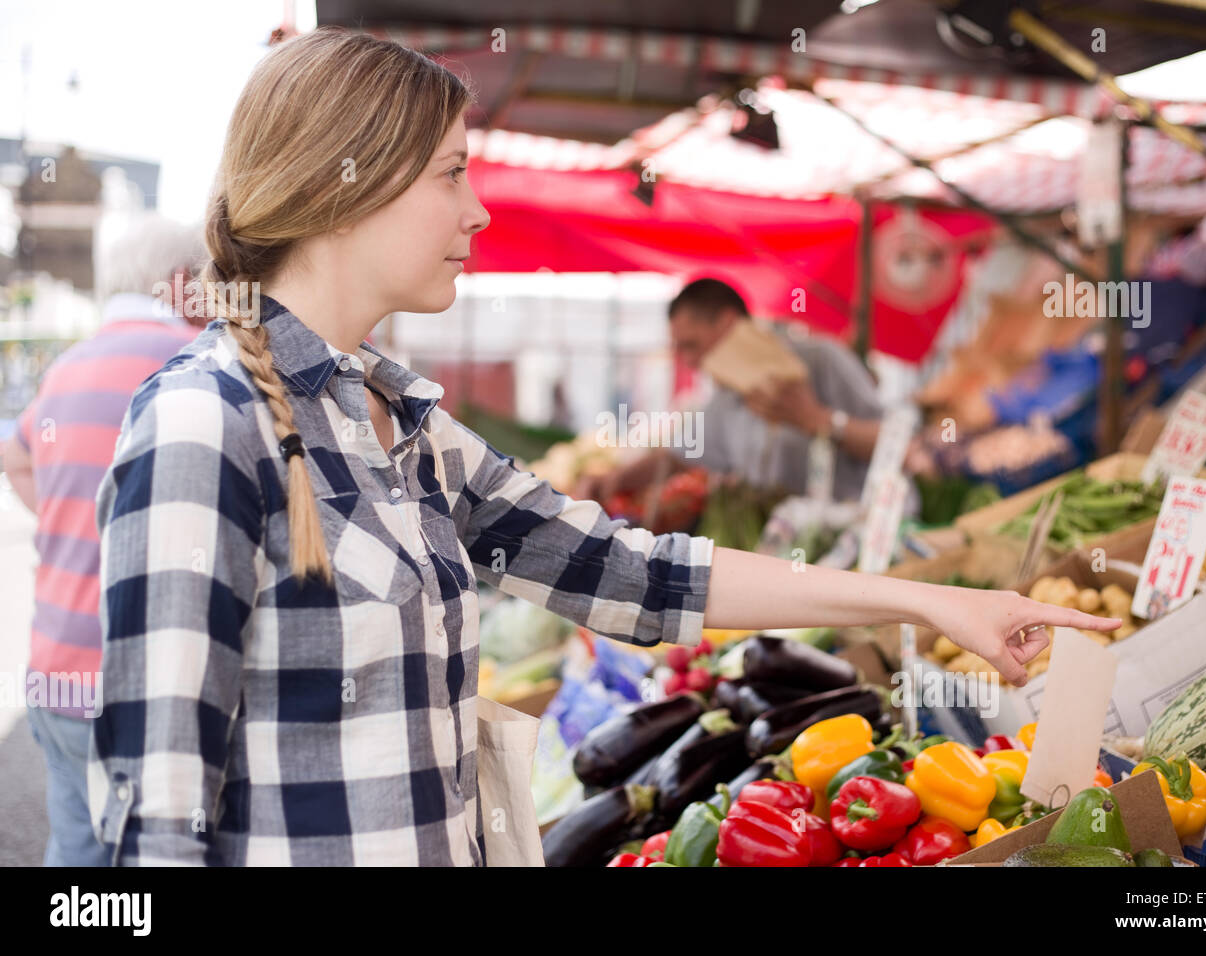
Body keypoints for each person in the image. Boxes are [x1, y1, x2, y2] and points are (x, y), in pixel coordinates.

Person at [85, 27, 1118, 867]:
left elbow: (639, 573)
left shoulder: (402, 423)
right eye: (452, 174)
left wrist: (927, 600)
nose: (479, 208)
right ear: (348, 185)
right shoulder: (204, 423)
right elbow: (151, 814)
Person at [1, 214, 206, 866]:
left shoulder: (67, 366)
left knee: (77, 851)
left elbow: (16, 455)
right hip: (141, 680)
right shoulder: (189, 363)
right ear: (178, 283)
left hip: (56, 672)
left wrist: (69, 513)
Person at [577, 278, 929, 505]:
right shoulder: (726, 395)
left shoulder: (818, 359)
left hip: (856, 547)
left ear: (728, 323)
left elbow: (903, 445)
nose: (690, 361)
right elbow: (679, 457)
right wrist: (615, 480)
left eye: (693, 345)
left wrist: (819, 420)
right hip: (786, 549)